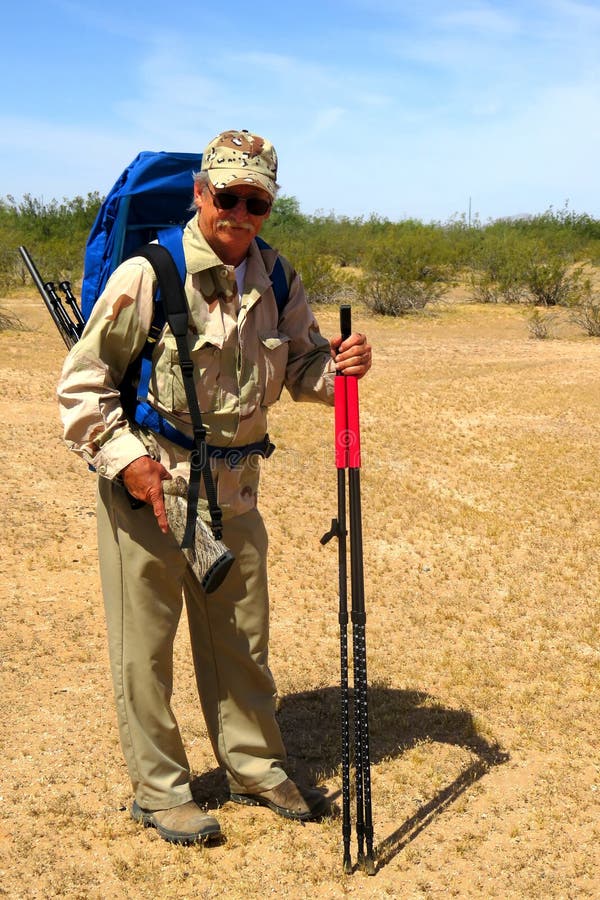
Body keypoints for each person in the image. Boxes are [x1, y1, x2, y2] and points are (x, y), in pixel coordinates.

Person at [57, 129, 372, 845]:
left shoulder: (277, 278)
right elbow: (82, 387)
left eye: (253, 200)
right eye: (224, 195)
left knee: (242, 641)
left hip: (236, 498)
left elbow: (304, 370)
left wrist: (344, 366)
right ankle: (160, 791)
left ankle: (255, 766)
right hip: (151, 493)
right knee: (146, 649)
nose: (238, 211)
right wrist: (127, 462)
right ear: (200, 193)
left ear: (268, 206)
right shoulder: (149, 273)